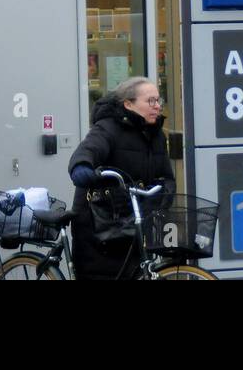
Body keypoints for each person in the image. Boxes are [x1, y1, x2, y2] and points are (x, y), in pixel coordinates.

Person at [67, 76, 175, 280]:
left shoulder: (157, 136)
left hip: (135, 221)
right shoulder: (108, 128)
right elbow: (89, 149)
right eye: (150, 101)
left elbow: (166, 177)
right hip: (100, 224)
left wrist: (158, 199)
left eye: (158, 100)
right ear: (128, 104)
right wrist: (81, 166)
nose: (157, 106)